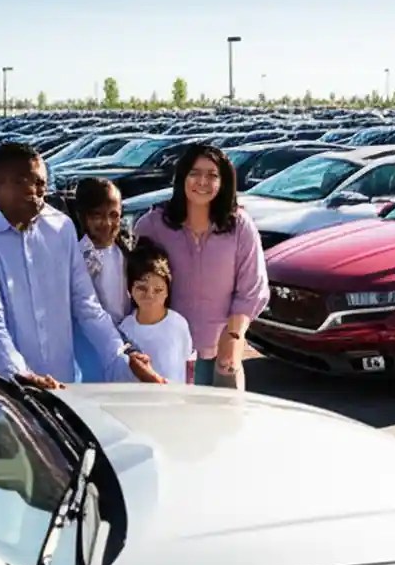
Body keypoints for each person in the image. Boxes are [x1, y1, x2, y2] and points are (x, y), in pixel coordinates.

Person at [0, 142, 162, 388]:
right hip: (13, 388)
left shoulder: (61, 228)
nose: (42, 190)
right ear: (0, 184)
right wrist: (18, 373)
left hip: (64, 383)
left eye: (43, 182)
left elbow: (86, 306)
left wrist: (123, 358)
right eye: (31, 182)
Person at [133, 143, 270, 389]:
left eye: (212, 175)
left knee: (223, 424)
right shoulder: (152, 225)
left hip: (221, 356)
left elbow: (252, 289)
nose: (202, 182)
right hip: (166, 356)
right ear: (182, 176)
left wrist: (234, 338)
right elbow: (136, 283)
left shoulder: (240, 227)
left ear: (224, 182)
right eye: (194, 173)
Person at [71, 177, 131, 381]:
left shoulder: (123, 251)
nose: (106, 223)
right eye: (97, 215)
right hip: (89, 346)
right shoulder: (81, 256)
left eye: (114, 215)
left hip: (124, 341)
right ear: (83, 216)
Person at [118, 237, 191, 384]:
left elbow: (185, 364)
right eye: (141, 288)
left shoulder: (178, 325)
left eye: (158, 290)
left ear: (167, 291)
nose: (149, 295)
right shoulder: (125, 329)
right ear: (130, 289)